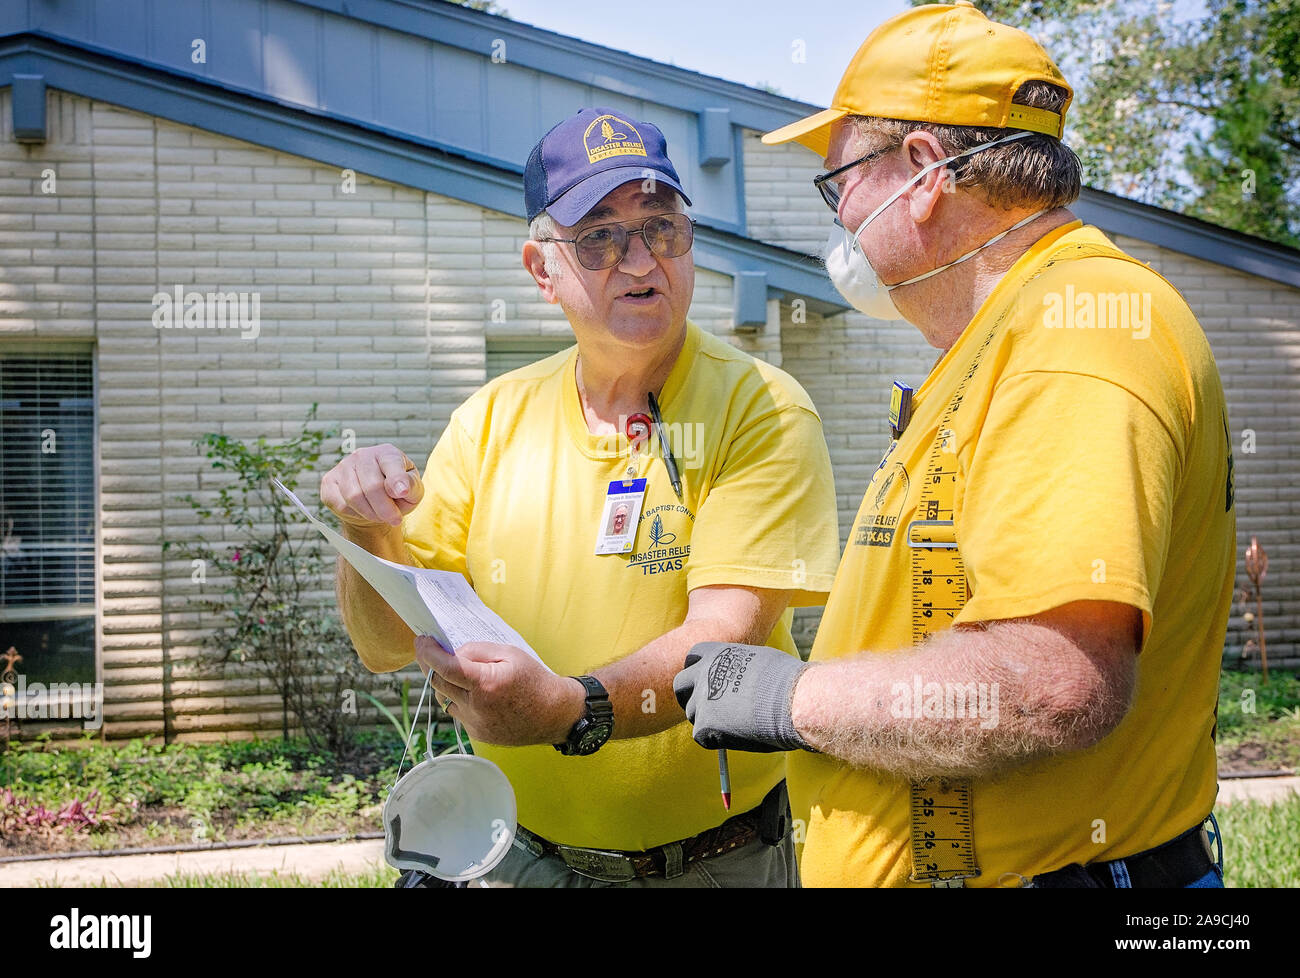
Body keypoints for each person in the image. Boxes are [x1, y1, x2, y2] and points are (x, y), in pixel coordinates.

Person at [675, 2, 1235, 888]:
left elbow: (1051, 681)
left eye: (840, 183)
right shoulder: (1007, 335)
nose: (839, 217)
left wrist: (788, 698)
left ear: (924, 172)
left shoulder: (1075, 332)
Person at [323, 107, 840, 887]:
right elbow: (387, 642)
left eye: (661, 226)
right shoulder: (490, 419)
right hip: (519, 859)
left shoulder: (762, 407)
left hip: (714, 863)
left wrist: (570, 708)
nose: (640, 261)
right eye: (599, 237)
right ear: (542, 270)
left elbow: (722, 641)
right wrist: (363, 530)